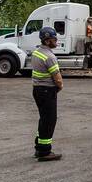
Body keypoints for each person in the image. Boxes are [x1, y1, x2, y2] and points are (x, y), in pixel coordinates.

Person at [30, 26, 64, 162]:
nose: (56, 41)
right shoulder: (50, 56)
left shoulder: (36, 52)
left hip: (37, 89)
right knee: (49, 120)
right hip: (47, 90)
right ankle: (45, 151)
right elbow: (58, 78)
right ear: (48, 40)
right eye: (54, 39)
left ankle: (39, 147)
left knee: (43, 119)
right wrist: (59, 87)